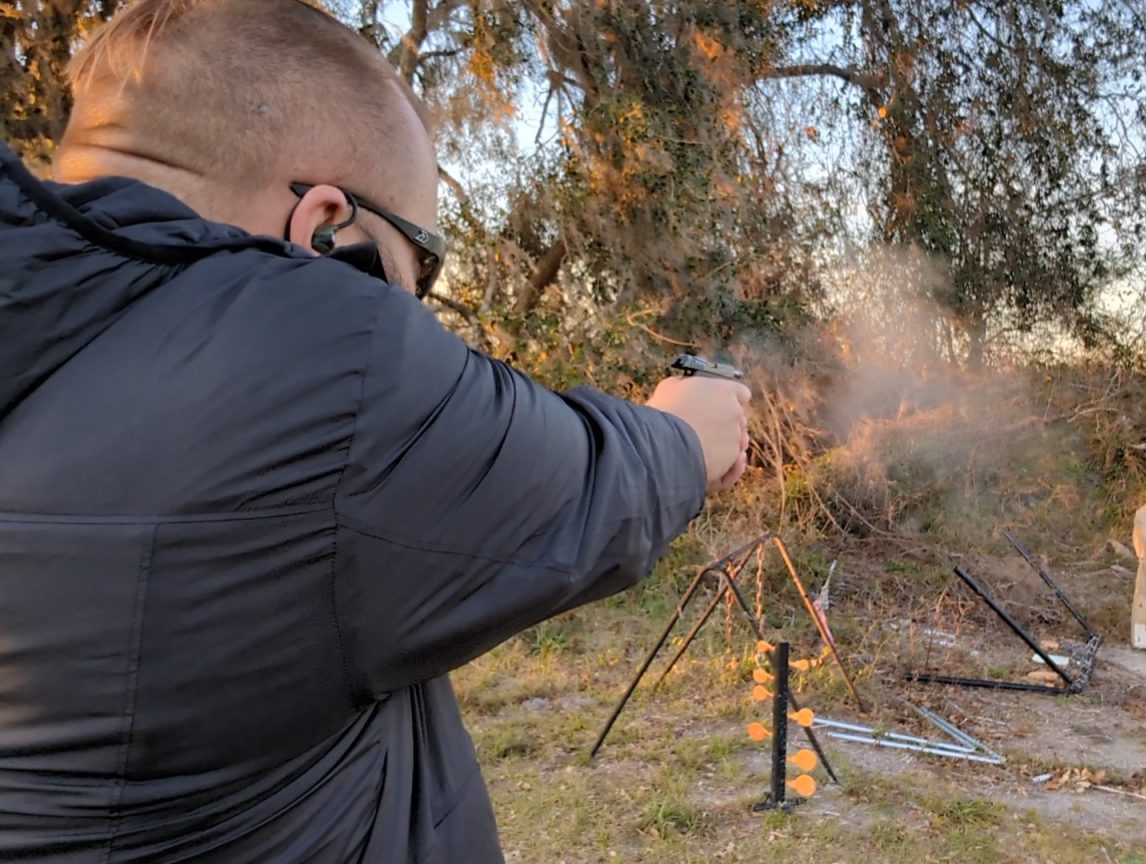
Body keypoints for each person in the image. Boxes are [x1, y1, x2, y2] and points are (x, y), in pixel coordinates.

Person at [0, 0, 750, 860]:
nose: (411, 309)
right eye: (412, 266)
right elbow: (595, 484)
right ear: (323, 229)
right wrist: (690, 433)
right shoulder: (322, 356)